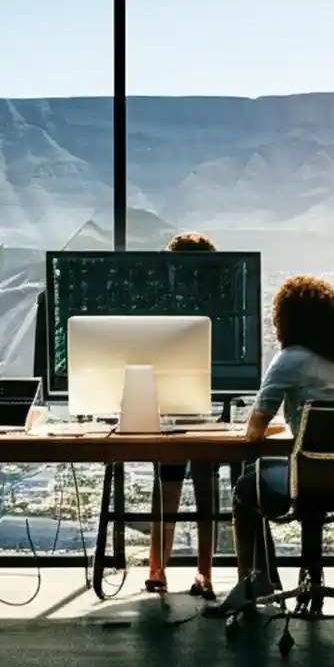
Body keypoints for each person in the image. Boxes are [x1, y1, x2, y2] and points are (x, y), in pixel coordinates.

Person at [232, 276, 334, 587]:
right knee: (311, 475)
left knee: (244, 488)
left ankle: (255, 584)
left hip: (309, 480)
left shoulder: (289, 360)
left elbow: (253, 433)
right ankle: (311, 579)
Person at [146, 232, 221, 599]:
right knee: (199, 487)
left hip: (181, 401)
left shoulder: (165, 304)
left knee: (169, 485)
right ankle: (199, 572)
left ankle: (160, 569)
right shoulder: (219, 303)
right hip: (195, 403)